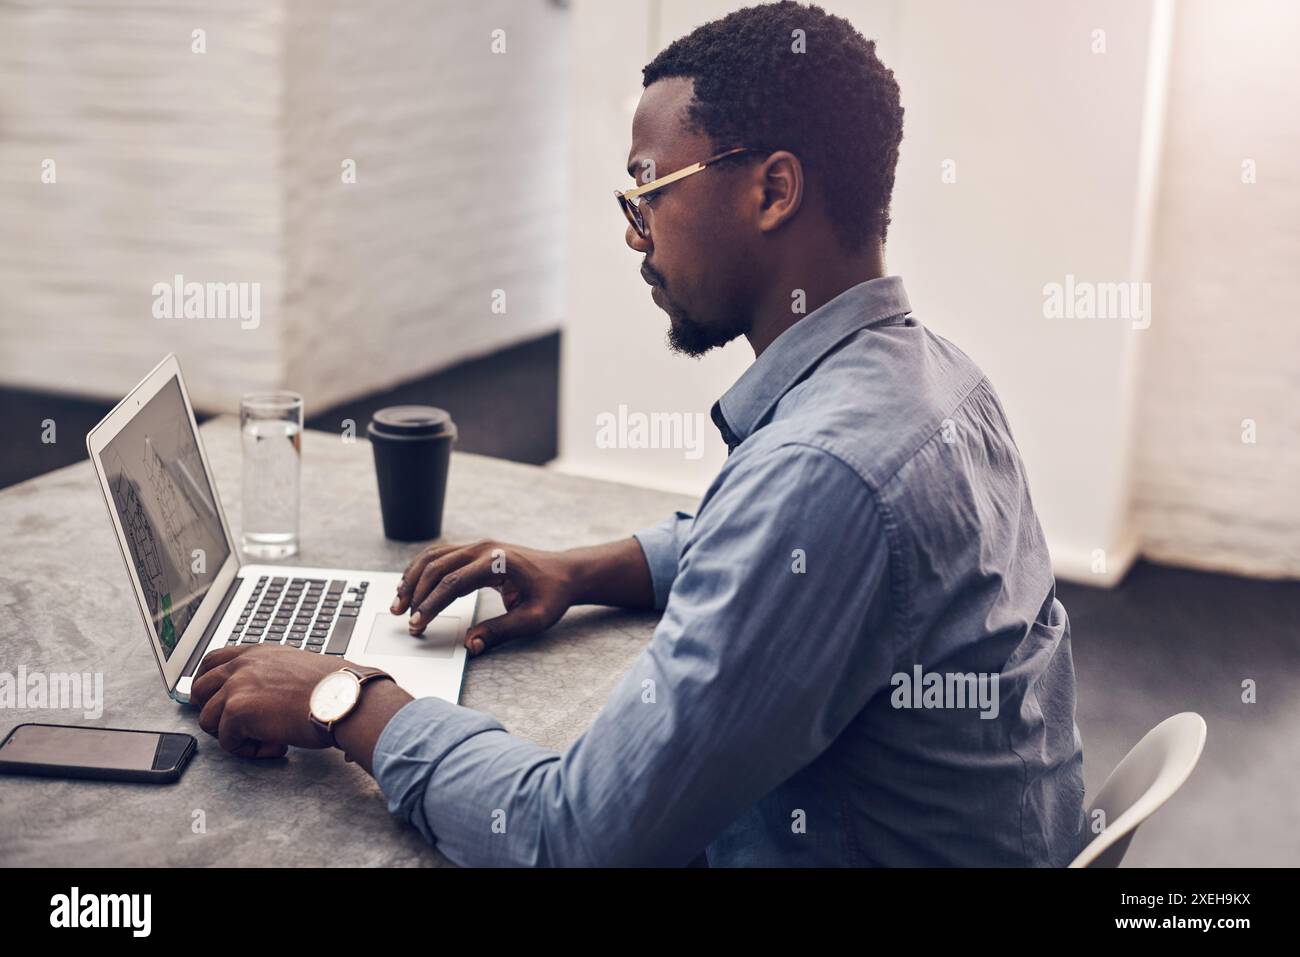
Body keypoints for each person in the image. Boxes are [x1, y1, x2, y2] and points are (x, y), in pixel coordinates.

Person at [191, 1, 1087, 867]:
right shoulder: (940, 381)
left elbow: (571, 836)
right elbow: (765, 543)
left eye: (649, 191)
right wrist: (578, 569)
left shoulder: (823, 476)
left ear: (773, 189)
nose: (636, 235)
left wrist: (344, 700)